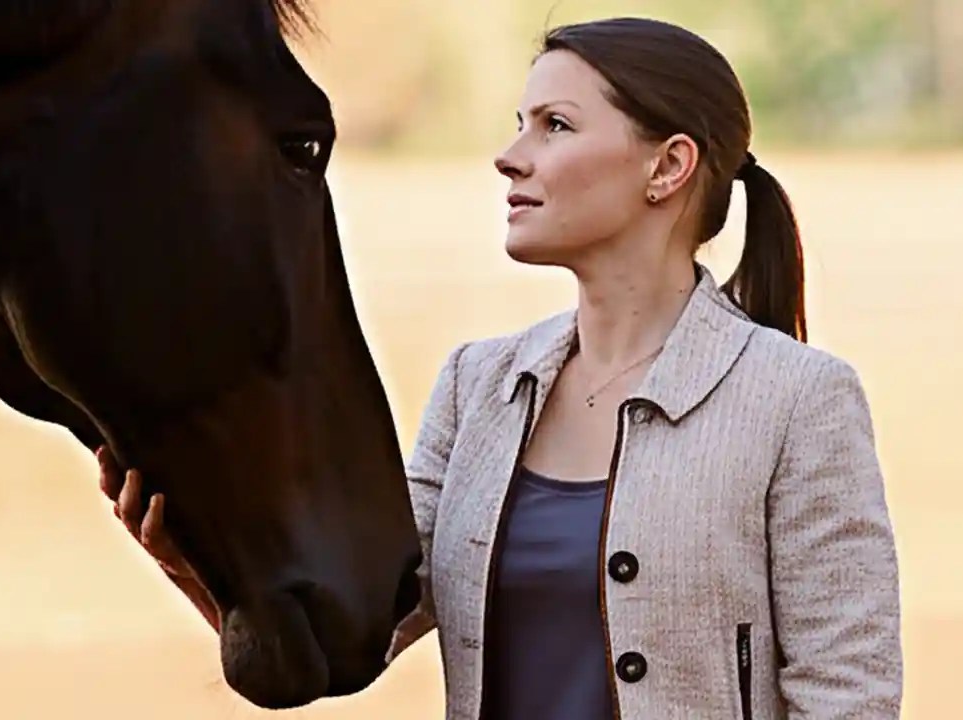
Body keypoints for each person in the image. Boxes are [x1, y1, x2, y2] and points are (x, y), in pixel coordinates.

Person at [97, 16, 902, 720]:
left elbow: (848, 698)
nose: (508, 158)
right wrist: (195, 561)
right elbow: (345, 644)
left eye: (554, 125)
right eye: (520, 122)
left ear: (669, 166)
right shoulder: (475, 388)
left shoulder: (799, 401)